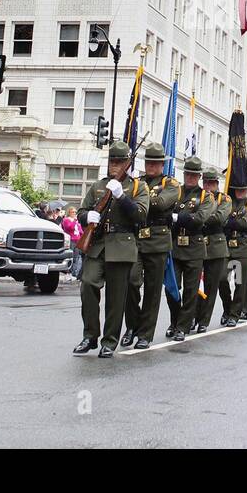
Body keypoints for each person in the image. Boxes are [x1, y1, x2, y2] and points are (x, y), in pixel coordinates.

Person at [73, 141, 148, 358]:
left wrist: (121, 197)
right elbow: (81, 211)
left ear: (127, 164)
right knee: (88, 284)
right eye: (112, 161)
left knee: (116, 298)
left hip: (122, 245)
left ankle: (109, 340)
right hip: (97, 245)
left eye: (119, 162)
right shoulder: (98, 186)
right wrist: (87, 216)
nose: (114, 166)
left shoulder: (137, 187)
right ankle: (90, 335)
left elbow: (140, 216)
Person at [121, 142, 178, 350]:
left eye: (156, 163)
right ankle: (132, 326)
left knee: (153, 290)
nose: (152, 166)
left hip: (158, 239)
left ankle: (145, 333)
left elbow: (161, 203)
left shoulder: (171, 184)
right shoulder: (138, 181)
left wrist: (139, 201)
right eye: (149, 162)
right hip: (137, 238)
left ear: (162, 164)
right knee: (131, 282)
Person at [164, 157, 213, 341]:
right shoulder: (175, 192)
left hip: (194, 246)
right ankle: (175, 320)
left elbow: (201, 217)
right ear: (184, 174)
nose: (190, 177)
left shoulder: (205, 196)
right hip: (175, 244)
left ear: (199, 176)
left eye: (194, 175)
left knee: (191, 291)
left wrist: (177, 217)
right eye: (188, 174)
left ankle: (182, 327)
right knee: (172, 288)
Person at [195, 167, 231, 332]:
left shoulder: (224, 199)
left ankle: (204, 320)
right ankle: (192, 317)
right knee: (194, 284)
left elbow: (219, 218)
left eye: (211, 183)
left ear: (217, 184)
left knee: (211, 285)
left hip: (216, 246)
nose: (208, 186)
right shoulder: (199, 196)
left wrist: (197, 218)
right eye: (206, 182)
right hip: (197, 244)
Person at [220, 178, 247, 326]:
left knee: (240, 282)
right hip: (228, 247)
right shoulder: (229, 202)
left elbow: (244, 223)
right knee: (221, 279)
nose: (240, 192)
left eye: (243, 189)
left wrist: (228, 222)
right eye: (237, 189)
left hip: (242, 249)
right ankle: (227, 309)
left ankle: (234, 314)